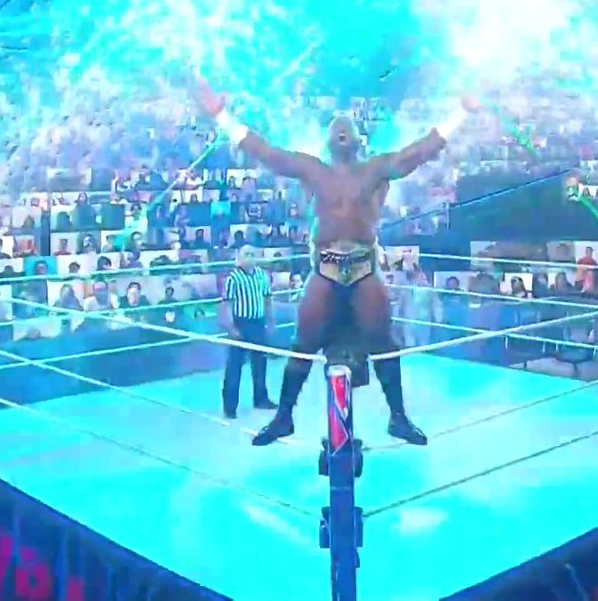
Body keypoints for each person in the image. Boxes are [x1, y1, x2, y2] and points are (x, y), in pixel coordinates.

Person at [197, 78, 476, 446]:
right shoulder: (313, 169)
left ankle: (398, 416)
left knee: (384, 342)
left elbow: (420, 151)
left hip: (363, 264)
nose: (342, 129)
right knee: (303, 342)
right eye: (335, 127)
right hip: (326, 265)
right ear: (328, 141)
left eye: (348, 128)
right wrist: (221, 116)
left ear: (359, 140)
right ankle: (284, 416)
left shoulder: (376, 168)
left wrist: (462, 113)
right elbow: (265, 152)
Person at [220, 245, 277, 418]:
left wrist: (270, 321)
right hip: (240, 323)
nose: (249, 257)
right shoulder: (233, 278)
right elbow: (227, 304)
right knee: (234, 366)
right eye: (246, 254)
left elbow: (268, 299)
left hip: (258, 322)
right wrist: (231, 327)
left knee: (260, 363)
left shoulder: (262, 275)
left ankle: (261, 399)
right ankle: (230, 407)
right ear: (239, 257)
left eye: (252, 254)